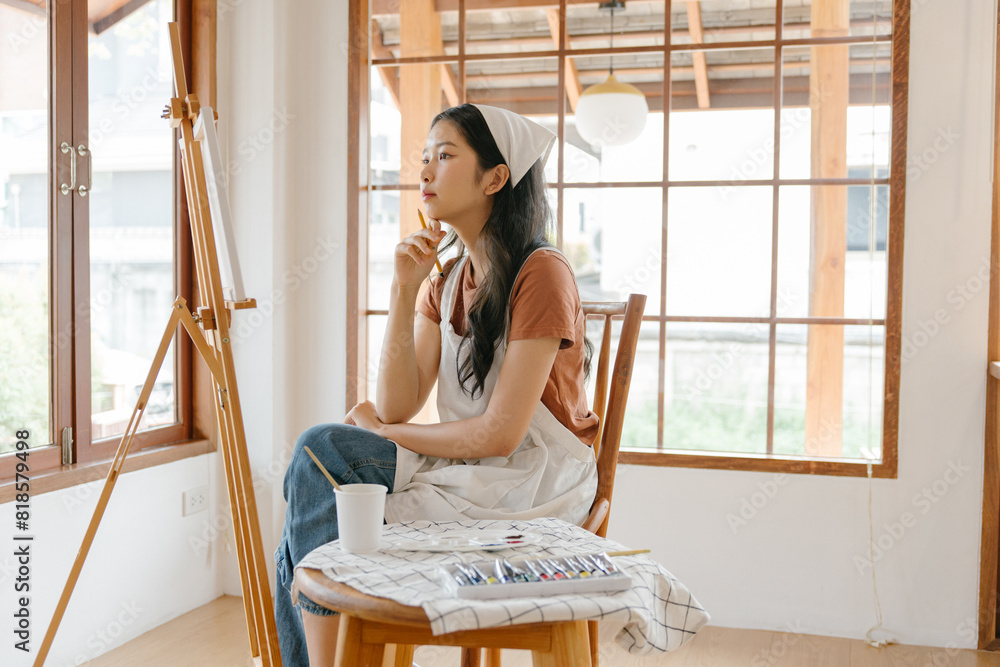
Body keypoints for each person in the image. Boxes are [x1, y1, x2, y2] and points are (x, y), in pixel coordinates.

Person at [273, 103, 600, 666]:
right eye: (424, 157)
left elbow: (500, 436)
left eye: (445, 156)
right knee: (317, 467)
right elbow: (401, 399)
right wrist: (403, 293)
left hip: (532, 479)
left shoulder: (542, 274)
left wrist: (387, 431)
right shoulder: (446, 279)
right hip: (470, 467)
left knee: (318, 461)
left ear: (495, 178)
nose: (424, 171)